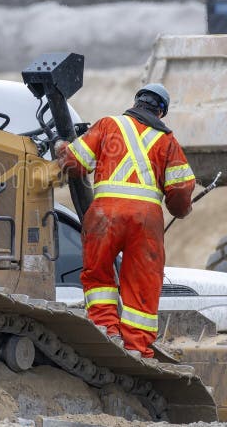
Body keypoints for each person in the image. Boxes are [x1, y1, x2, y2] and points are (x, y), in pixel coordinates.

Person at [55, 83, 195, 358]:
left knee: (98, 273)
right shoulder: (168, 141)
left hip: (104, 216)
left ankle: (106, 330)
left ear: (136, 102)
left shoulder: (108, 125)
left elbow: (74, 164)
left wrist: (62, 149)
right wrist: (182, 209)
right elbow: (180, 193)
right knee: (142, 282)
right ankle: (136, 348)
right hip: (146, 222)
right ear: (161, 111)